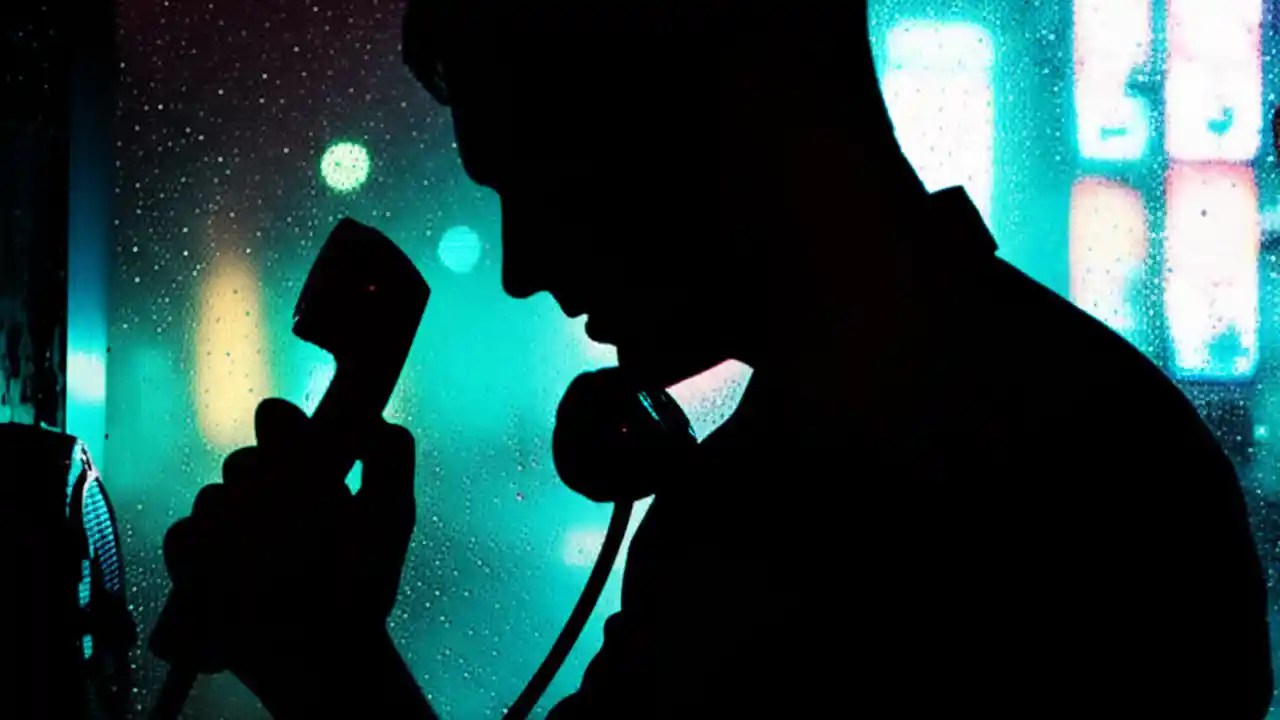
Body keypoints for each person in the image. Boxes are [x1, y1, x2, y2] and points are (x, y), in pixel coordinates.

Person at [157, 1, 1275, 717]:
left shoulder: (808, 506)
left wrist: (321, 652)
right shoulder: (1082, 422)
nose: (523, 266)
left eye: (543, 181)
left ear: (703, 116)